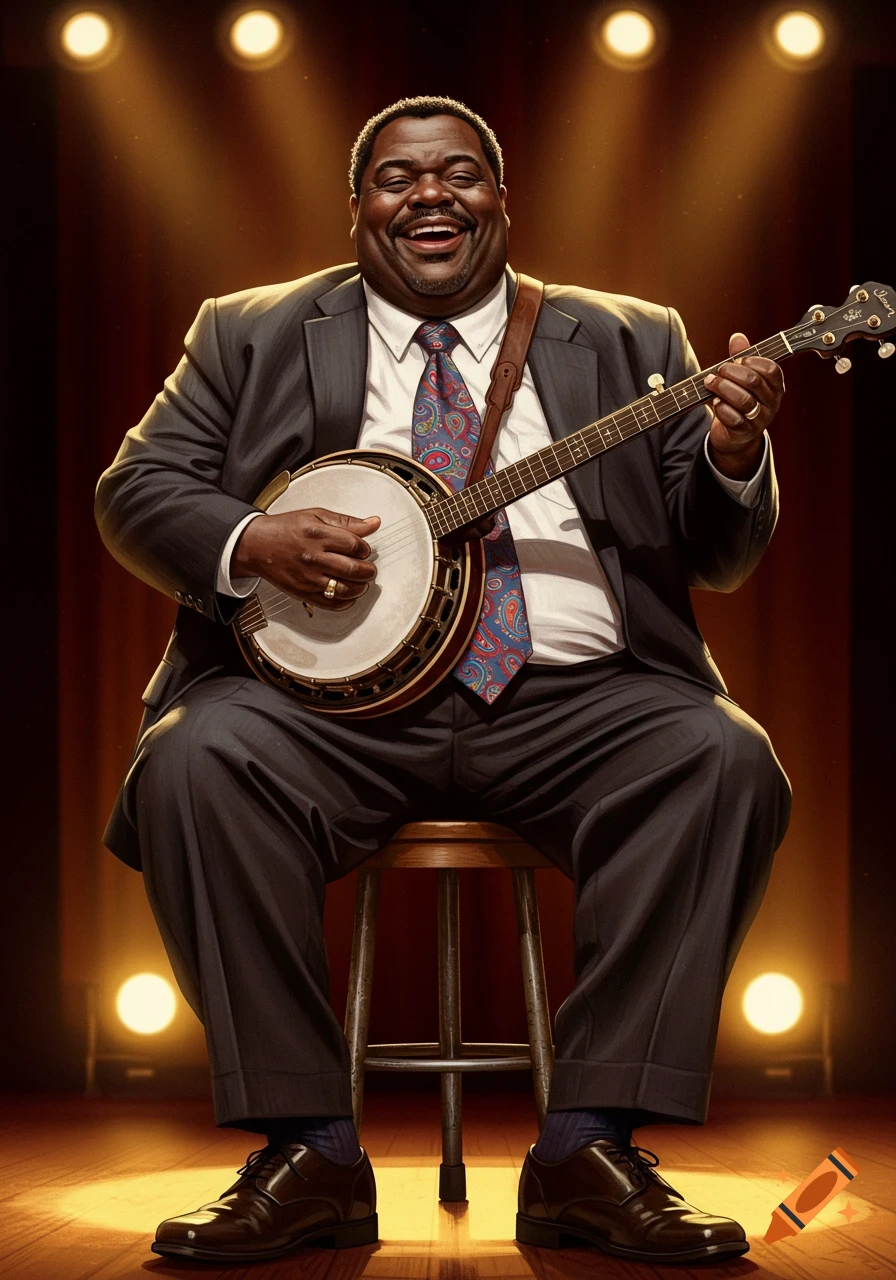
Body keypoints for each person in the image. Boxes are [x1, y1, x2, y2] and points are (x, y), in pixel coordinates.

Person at [95, 95, 791, 1266]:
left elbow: (714, 554)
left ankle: (588, 1145)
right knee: (193, 756)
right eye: (399, 177)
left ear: (501, 203)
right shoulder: (248, 330)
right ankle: (307, 1150)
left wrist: (729, 455)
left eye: (460, 174)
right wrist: (251, 542)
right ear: (357, 206)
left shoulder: (629, 337)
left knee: (720, 755)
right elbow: (138, 488)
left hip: (576, 699)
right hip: (322, 711)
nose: (431, 194)